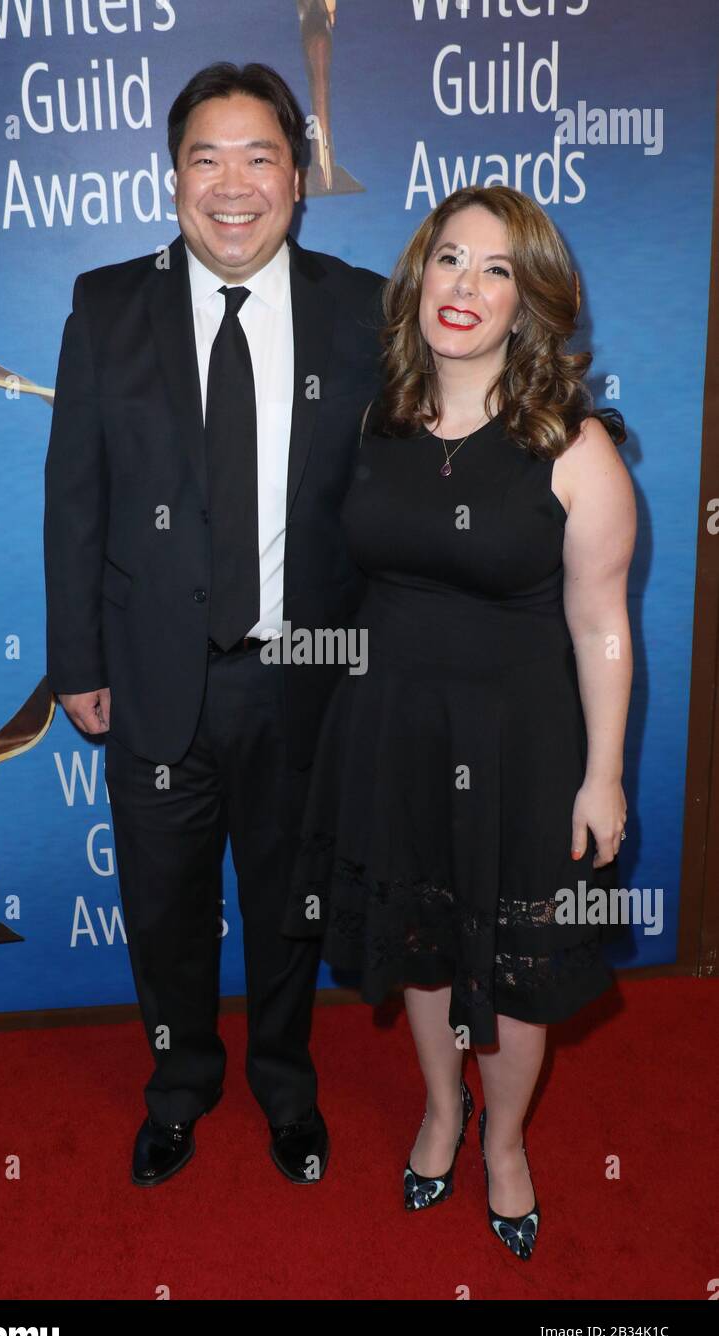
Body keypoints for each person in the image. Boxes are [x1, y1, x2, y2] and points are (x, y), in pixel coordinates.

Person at [43, 62, 385, 1187]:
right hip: (150, 676)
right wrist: (76, 664)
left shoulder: (360, 307)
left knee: (291, 908)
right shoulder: (105, 305)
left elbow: (398, 500)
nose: (232, 185)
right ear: (173, 176)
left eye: (259, 156)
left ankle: (287, 1086)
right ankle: (179, 1085)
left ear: (299, 172)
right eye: (205, 157)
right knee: (163, 911)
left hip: (302, 675)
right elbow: (74, 501)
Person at [283, 186, 636, 1258]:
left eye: (495, 269)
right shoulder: (375, 421)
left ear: (530, 301)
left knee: (518, 961)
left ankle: (506, 1145)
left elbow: (602, 623)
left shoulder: (574, 449)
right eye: (448, 259)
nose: (465, 286)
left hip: (524, 741)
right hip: (393, 727)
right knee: (424, 942)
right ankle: (441, 1111)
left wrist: (603, 773)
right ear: (417, 278)